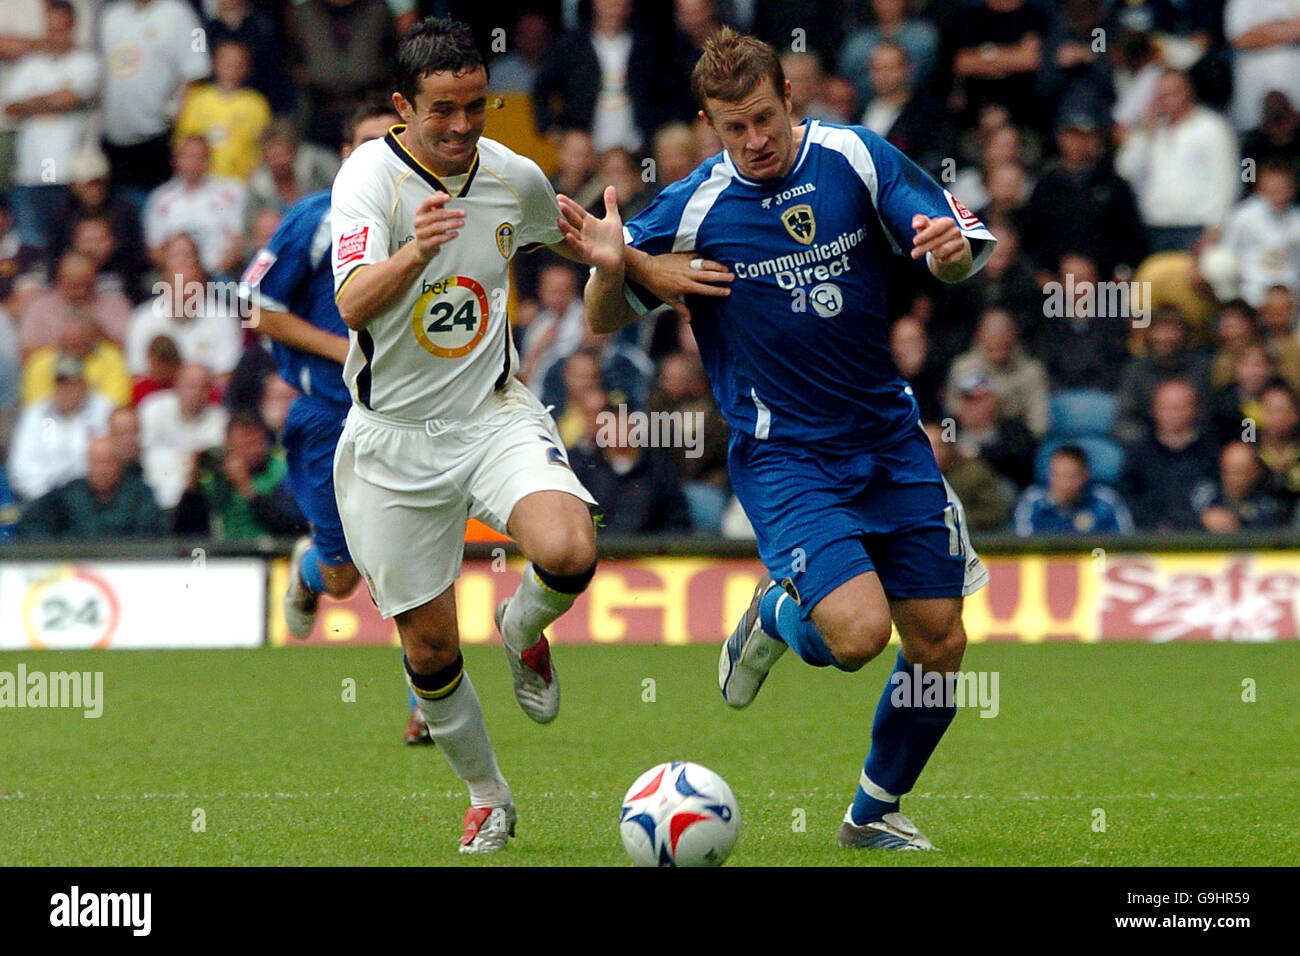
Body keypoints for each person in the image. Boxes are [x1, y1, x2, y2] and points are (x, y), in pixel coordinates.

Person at [561, 27, 996, 851]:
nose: (755, 141)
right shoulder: (693, 204)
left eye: (765, 118)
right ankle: (773, 614)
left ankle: (873, 814)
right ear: (708, 125)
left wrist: (946, 257)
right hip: (786, 455)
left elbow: (952, 251)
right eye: (734, 128)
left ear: (791, 99)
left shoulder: (857, 157)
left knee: (940, 644)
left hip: (889, 441)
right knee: (861, 636)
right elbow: (600, 316)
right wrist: (618, 267)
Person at [327, 17, 627, 854]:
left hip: (491, 412)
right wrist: (414, 254)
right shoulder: (366, 182)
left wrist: (615, 258)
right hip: (390, 442)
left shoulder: (515, 177)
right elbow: (350, 304)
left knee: (569, 551)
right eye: (441, 111)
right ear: (402, 107)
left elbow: (580, 251)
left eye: (475, 108)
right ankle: (488, 795)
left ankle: (523, 628)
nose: (461, 127)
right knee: (428, 648)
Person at [242, 94, 434, 743]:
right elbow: (256, 307)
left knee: (405, 562)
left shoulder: (432, 220)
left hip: (407, 417)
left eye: (394, 141)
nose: (382, 154)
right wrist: (344, 351)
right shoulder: (314, 218)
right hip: (328, 415)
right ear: (348, 154)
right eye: (368, 142)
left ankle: (426, 705)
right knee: (345, 575)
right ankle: (309, 570)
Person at [19, 435, 165, 539]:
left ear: (120, 464)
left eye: (108, 462)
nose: (102, 470)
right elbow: (33, 522)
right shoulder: (69, 494)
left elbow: (151, 535)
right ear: (87, 464)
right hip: (76, 570)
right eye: (96, 462)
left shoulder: (140, 494)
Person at [1012, 445, 1134, 536]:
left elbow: (1125, 545)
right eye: (1057, 475)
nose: (1063, 483)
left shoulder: (1106, 502)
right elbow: (1022, 548)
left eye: (1070, 476)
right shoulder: (1033, 502)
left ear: (1085, 475)